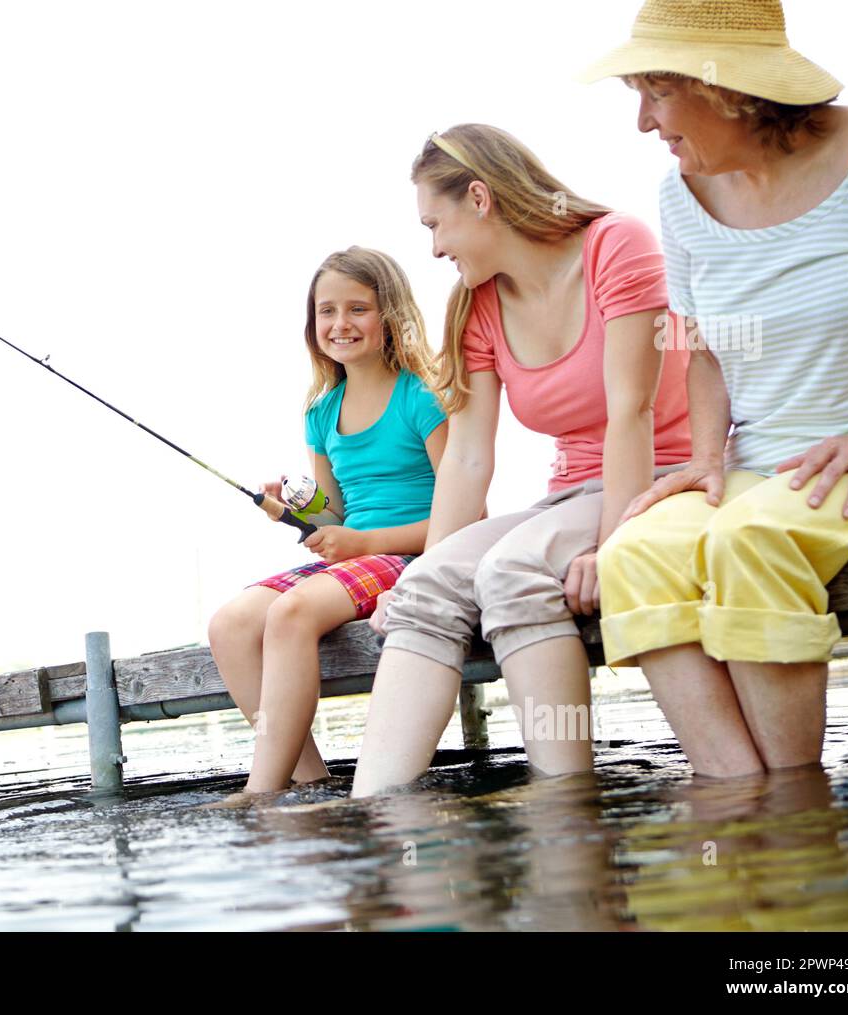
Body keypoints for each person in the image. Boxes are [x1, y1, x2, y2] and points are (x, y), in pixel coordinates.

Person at [580, 0, 848, 775]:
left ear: (725, 87)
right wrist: (704, 457)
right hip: (762, 464)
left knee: (749, 537)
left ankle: (794, 809)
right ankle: (738, 799)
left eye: (656, 93)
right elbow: (700, 350)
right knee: (634, 554)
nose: (643, 122)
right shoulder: (679, 197)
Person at [350, 125, 692, 797]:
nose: (435, 246)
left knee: (512, 571)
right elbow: (470, 459)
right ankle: (377, 815)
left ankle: (566, 807)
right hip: (568, 495)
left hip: (660, 479)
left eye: (436, 224)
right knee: (421, 590)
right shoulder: (477, 303)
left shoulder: (615, 246)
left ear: (479, 197)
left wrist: (613, 545)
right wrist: (429, 568)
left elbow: (633, 412)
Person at [207, 247, 447, 796]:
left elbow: (466, 518)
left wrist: (363, 540)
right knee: (232, 623)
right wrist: (297, 510)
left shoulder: (424, 396)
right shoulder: (320, 412)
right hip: (360, 556)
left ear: (391, 315)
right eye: (326, 311)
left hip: (415, 554)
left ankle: (260, 793)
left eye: (358, 309)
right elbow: (334, 515)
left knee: (291, 612)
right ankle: (312, 786)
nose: (340, 324)